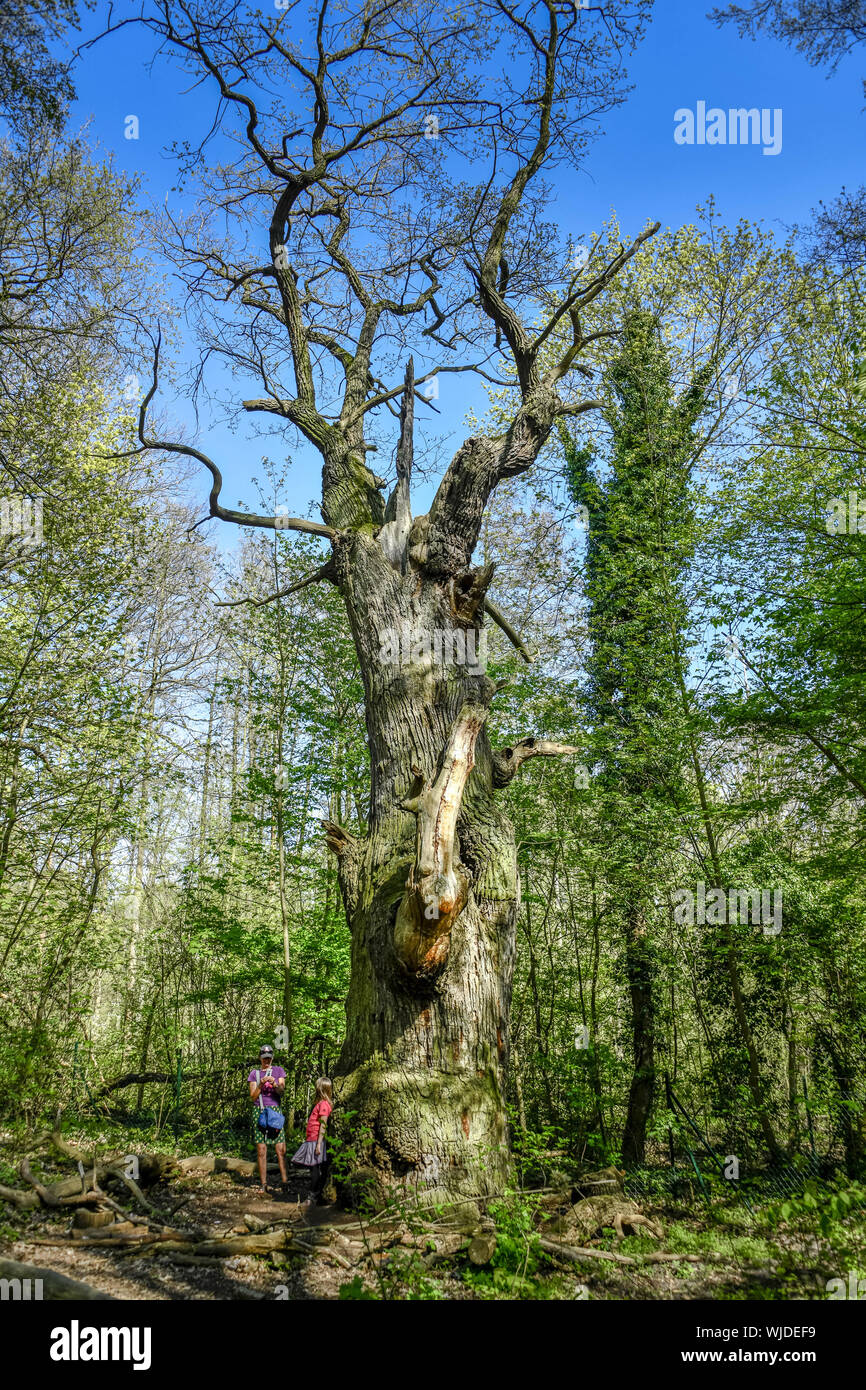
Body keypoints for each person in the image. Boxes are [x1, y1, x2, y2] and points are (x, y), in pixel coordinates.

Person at [248, 1044, 288, 1193]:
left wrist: (274, 1083)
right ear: (260, 1058)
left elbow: (281, 1091)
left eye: (269, 1058)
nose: (266, 1061)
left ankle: (285, 1182)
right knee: (261, 1149)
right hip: (259, 1111)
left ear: (272, 1058)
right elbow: (252, 1097)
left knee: (280, 1149)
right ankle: (264, 1184)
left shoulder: (278, 1071)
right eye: (264, 1058)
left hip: (275, 1112)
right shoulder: (254, 1074)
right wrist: (261, 1084)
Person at [292, 1077, 333, 1206]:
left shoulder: (324, 1105)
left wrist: (319, 1144)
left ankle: (312, 1196)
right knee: (314, 1169)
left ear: (321, 1089)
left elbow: (323, 1124)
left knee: (316, 1170)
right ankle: (314, 1195)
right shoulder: (320, 1104)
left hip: (316, 1141)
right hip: (312, 1140)